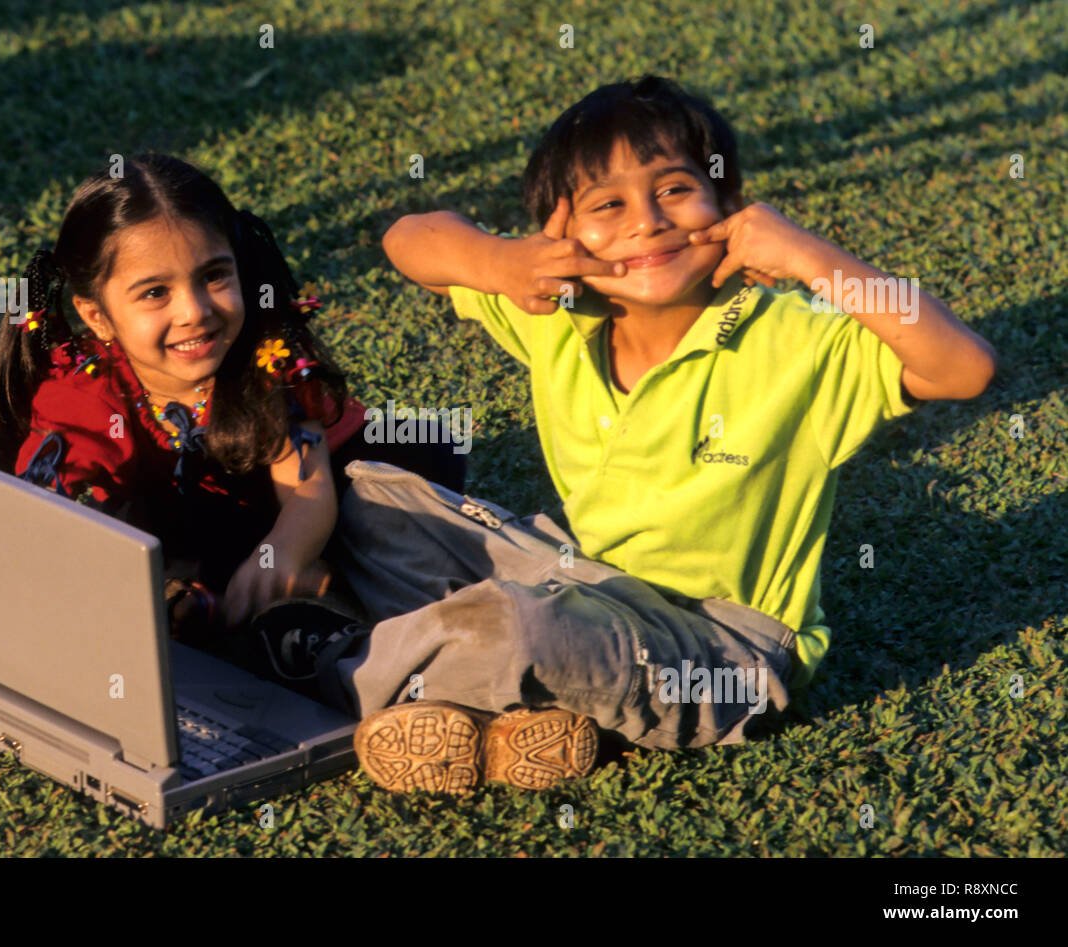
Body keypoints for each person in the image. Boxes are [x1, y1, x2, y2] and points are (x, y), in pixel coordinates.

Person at [327, 75, 996, 793]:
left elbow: (964, 367)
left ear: (731, 208)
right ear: (562, 233)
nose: (646, 222)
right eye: (608, 205)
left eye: (675, 189)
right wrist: (498, 261)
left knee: (523, 627)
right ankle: (518, 720)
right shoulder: (558, 311)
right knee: (374, 498)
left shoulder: (796, 339)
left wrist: (813, 259)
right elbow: (407, 239)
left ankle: (340, 668)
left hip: (722, 652)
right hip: (579, 579)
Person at [0, 153, 464, 684]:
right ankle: (326, 635)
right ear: (96, 315)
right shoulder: (85, 393)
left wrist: (281, 556)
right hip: (218, 511)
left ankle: (427, 633)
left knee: (387, 524)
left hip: (340, 479)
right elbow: (34, 507)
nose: (195, 311)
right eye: (155, 292)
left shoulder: (263, 363)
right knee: (164, 543)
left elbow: (308, 492)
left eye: (213, 276)